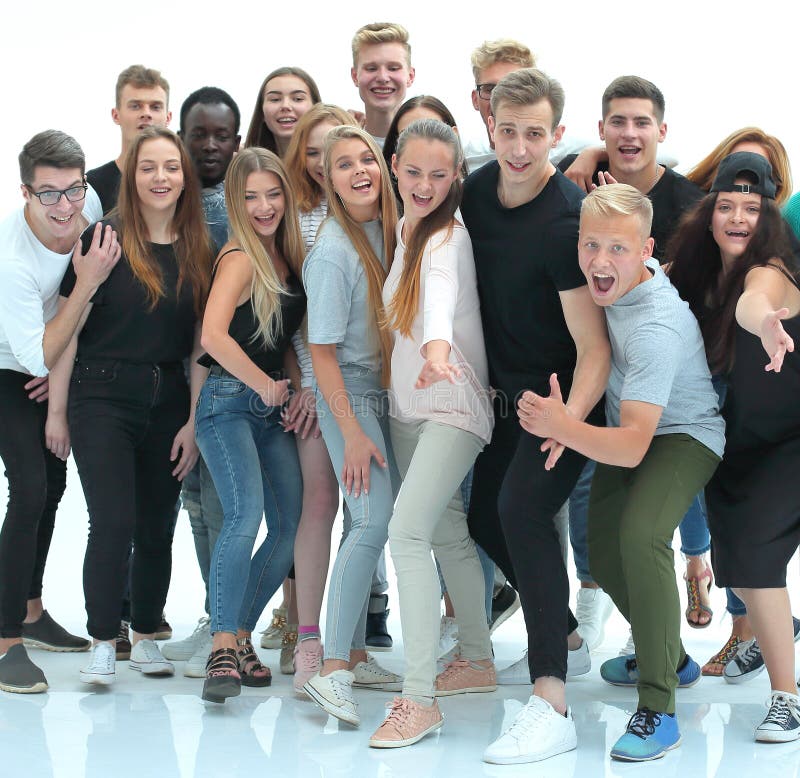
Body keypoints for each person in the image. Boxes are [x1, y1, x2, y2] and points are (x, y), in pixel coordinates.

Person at [523, 183, 723, 761]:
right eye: (591, 246)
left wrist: (561, 426)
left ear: (646, 251)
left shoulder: (656, 327)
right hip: (629, 427)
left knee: (641, 536)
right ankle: (670, 653)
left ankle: (659, 706)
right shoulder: (612, 281)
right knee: (602, 553)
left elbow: (635, 448)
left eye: (618, 249)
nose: (600, 262)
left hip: (683, 435)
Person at [461, 69, 609, 765]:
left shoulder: (567, 219)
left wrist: (567, 423)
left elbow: (594, 347)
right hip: (501, 397)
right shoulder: (473, 197)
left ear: (556, 133)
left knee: (521, 510)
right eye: (508, 131)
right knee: (482, 518)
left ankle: (549, 697)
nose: (519, 148)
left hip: (565, 393)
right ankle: (566, 632)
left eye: (535, 134)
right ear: (490, 125)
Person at [48, 127, 213, 687]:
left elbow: (198, 345)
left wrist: (193, 420)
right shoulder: (102, 239)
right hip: (101, 397)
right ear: (131, 175)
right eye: (148, 167)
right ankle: (102, 639)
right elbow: (70, 330)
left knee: (156, 525)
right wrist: (57, 411)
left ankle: (145, 636)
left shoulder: (199, 247)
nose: (160, 177)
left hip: (167, 398)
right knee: (113, 521)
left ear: (184, 176)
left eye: (171, 166)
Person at [558, 76, 707, 648]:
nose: (628, 133)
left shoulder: (688, 204)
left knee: (653, 518)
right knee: (599, 509)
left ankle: (681, 588)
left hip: (669, 366)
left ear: (661, 132)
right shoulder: (579, 176)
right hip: (604, 372)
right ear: (600, 130)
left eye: (641, 122)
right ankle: (610, 605)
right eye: (616, 122)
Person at [367, 118, 494, 749]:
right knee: (444, 529)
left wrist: (440, 348)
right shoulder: (405, 228)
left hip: (453, 403)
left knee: (407, 534)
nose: (424, 184)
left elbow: (438, 299)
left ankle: (418, 698)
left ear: (456, 178)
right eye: (413, 172)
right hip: (410, 406)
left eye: (439, 175)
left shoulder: (447, 238)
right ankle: (475, 658)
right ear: (395, 166)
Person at [669, 151, 800, 743]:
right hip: (733, 441)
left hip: (788, 441)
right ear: (711, 212)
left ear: (767, 215)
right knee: (738, 566)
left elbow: (756, 300)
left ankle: (787, 699)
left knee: (756, 556)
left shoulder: (770, 271)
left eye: (752, 207)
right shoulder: (695, 273)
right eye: (727, 206)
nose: (738, 217)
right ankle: (774, 632)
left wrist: (766, 321)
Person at [0, 130, 118, 694]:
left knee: (51, 484)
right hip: (6, 361)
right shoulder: (11, 258)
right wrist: (89, 281)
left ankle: (31, 610)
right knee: (27, 487)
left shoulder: (86, 202)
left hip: (46, 350)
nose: (65, 208)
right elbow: (39, 354)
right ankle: (5, 642)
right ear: (25, 193)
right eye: (48, 195)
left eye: (73, 190)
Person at [195, 148, 305, 703]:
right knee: (245, 516)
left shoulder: (284, 257)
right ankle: (222, 645)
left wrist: (294, 387)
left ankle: (239, 632)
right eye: (251, 197)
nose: (264, 207)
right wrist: (263, 385)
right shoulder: (239, 256)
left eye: (273, 194)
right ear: (236, 203)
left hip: (270, 410)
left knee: (292, 526)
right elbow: (213, 336)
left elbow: (280, 339)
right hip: (227, 404)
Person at [301, 125, 403, 727]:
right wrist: (354, 433)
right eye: (344, 165)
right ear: (329, 180)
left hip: (390, 390)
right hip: (350, 391)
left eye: (367, 158)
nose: (359, 170)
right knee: (369, 517)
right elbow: (322, 353)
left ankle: (356, 652)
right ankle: (331, 669)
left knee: (369, 524)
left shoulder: (392, 231)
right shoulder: (334, 250)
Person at [283, 104, 366, 690]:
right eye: (312, 152)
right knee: (320, 503)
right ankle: (308, 641)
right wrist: (307, 384)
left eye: (332, 151)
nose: (320, 162)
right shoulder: (297, 219)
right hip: (318, 384)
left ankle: (353, 647)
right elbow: (292, 312)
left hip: (370, 384)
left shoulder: (370, 211)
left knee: (366, 515)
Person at [161, 86, 241, 677]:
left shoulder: (243, 206)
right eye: (199, 134)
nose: (210, 144)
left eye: (221, 135)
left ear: (237, 143)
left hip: (226, 376)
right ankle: (216, 617)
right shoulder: (173, 201)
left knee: (223, 505)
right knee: (194, 502)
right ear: (182, 137)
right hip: (171, 373)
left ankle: (228, 627)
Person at [87, 65, 171, 214]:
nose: (146, 114)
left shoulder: (180, 184)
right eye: (135, 106)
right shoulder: (92, 186)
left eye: (155, 107)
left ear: (168, 117)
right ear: (116, 115)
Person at [350, 22, 415, 148]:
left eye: (393, 68)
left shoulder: (431, 143)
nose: (382, 78)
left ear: (410, 76)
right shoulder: (339, 145)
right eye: (371, 68)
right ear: (354, 76)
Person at [243, 67, 321, 158]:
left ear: (316, 107)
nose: (285, 106)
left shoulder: (331, 160)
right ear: (261, 112)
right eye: (275, 99)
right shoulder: (244, 163)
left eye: (298, 99)